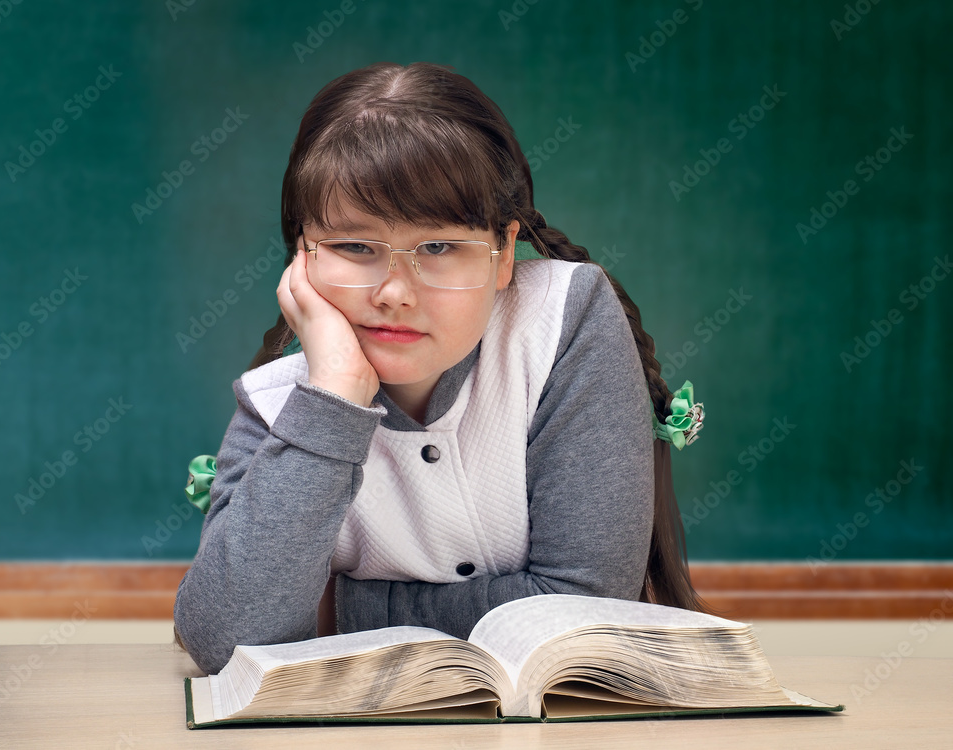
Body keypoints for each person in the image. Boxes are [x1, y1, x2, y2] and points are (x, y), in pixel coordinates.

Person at [174, 61, 707, 675]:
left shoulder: (564, 322)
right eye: (354, 247)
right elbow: (225, 640)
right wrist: (336, 399)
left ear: (504, 254)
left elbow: (585, 614)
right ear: (303, 256)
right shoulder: (283, 404)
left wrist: (337, 611)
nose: (395, 292)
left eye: (439, 247)